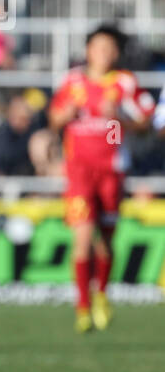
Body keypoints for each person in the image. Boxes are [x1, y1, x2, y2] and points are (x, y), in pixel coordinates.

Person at [47, 25, 154, 333]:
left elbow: (147, 122)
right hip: (79, 171)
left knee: (105, 240)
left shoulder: (124, 83)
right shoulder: (72, 81)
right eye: (98, 47)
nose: (103, 53)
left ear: (116, 53)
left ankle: (102, 295)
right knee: (82, 237)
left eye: (109, 48)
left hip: (111, 170)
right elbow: (54, 119)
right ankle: (82, 306)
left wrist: (119, 118)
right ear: (88, 50)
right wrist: (65, 115)